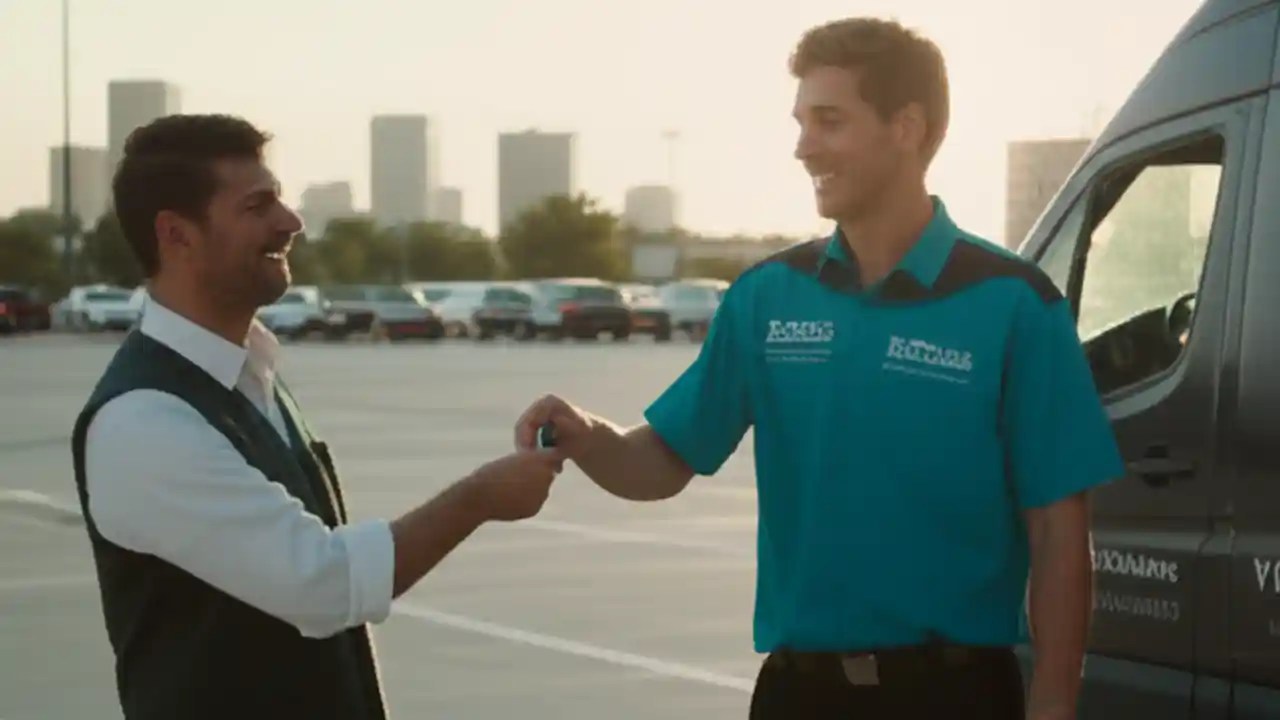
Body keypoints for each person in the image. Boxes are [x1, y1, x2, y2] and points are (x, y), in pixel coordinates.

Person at [514, 17, 1123, 720]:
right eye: (801, 122)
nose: (803, 147)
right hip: (797, 695)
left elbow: (1059, 535)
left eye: (829, 122)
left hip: (954, 696)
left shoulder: (1016, 305)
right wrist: (587, 435)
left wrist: (1052, 706)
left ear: (908, 128)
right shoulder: (766, 297)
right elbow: (663, 460)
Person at [70, 114, 565, 720]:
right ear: (177, 234)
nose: (290, 222)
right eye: (258, 206)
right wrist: (479, 497)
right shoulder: (143, 420)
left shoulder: (251, 374)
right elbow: (324, 584)